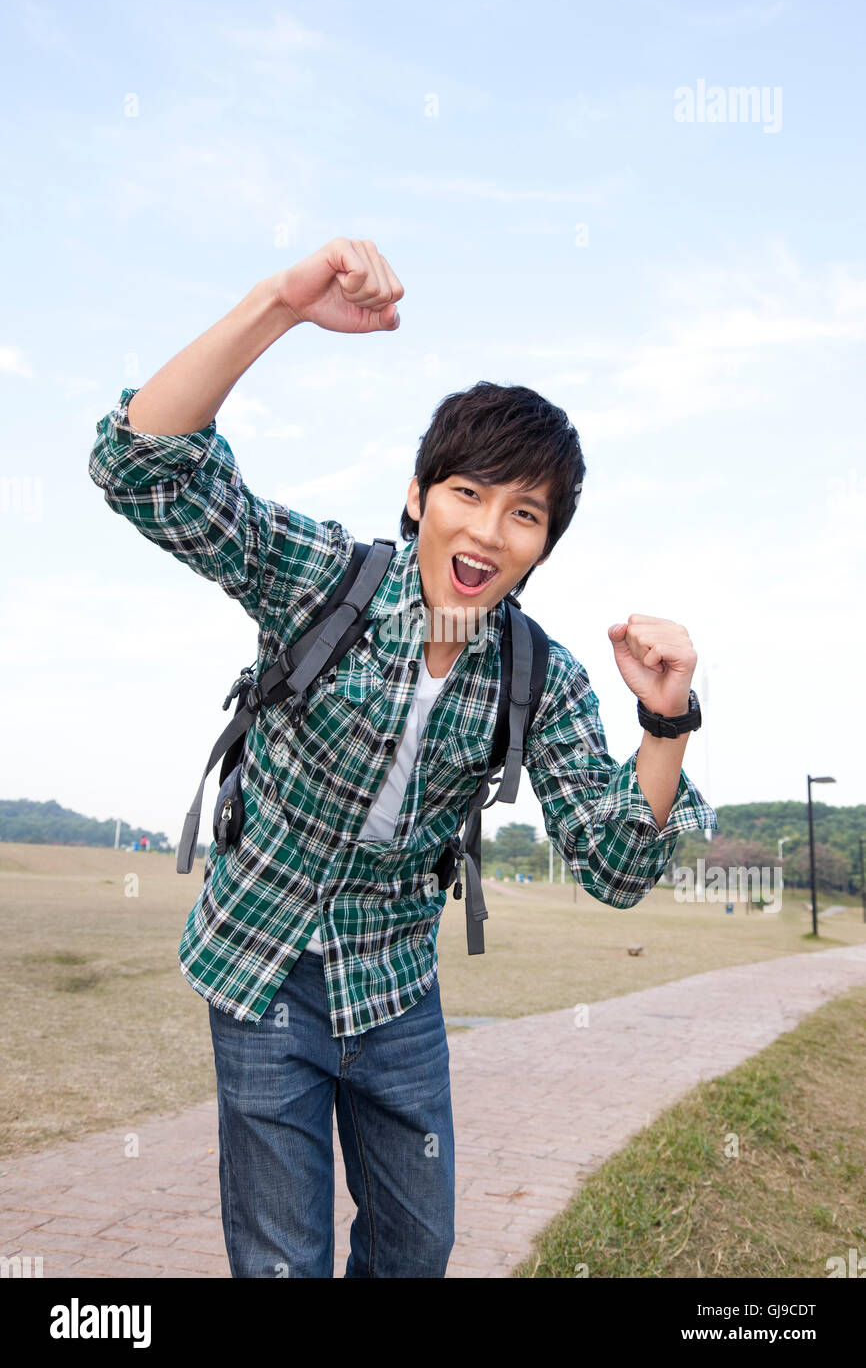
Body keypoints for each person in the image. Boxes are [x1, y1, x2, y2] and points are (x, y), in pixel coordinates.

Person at [88, 238, 718, 1278]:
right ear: (420, 494)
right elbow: (140, 467)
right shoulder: (324, 581)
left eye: (525, 514)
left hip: (392, 985)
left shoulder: (537, 675)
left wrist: (664, 723)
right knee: (281, 1259)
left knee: (416, 1250)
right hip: (258, 962)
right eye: (468, 493)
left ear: (543, 544)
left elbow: (613, 869)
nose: (488, 529)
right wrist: (283, 303)